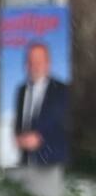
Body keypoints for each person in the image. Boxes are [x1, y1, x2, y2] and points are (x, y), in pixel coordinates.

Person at [13, 41, 71, 169]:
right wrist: (19, 137)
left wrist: (42, 140)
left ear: (48, 63)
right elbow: (20, 122)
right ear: (26, 64)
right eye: (31, 60)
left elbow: (67, 127)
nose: (35, 65)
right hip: (25, 164)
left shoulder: (63, 91)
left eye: (39, 60)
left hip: (53, 164)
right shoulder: (21, 91)